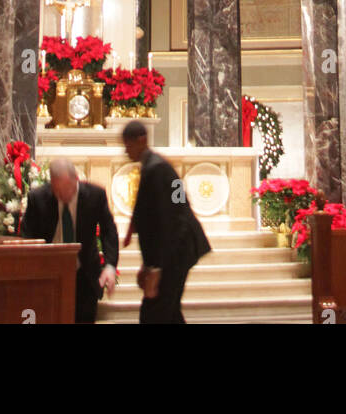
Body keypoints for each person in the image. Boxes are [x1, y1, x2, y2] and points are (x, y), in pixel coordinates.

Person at [121, 120, 211, 324]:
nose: (126, 152)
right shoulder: (156, 166)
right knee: (167, 312)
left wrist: (155, 268)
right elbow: (173, 204)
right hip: (177, 248)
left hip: (177, 249)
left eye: (128, 145)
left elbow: (169, 219)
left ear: (141, 141)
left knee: (155, 312)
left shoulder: (157, 169)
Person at [21, 157, 118, 324]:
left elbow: (109, 231)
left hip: (84, 274)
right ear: (52, 185)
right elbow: (27, 236)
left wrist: (109, 266)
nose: (64, 196)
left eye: (69, 190)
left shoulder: (95, 195)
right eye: (58, 192)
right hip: (48, 275)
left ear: (76, 179)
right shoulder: (37, 198)